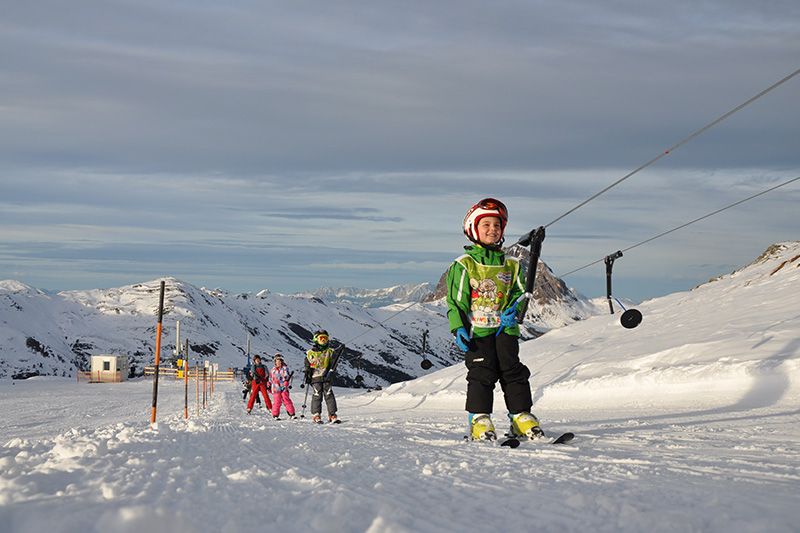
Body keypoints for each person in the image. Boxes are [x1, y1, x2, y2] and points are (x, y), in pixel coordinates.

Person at [445, 198, 542, 441]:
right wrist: (458, 327)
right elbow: (456, 302)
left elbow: (520, 292)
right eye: (485, 224)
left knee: (513, 370)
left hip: (505, 330)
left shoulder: (511, 264)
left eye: (497, 226)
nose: (492, 230)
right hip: (478, 332)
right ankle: (478, 418)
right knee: (481, 372)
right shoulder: (464, 265)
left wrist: (514, 309)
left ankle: (520, 415)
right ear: (472, 229)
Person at [304, 330, 339, 424]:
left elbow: (334, 362)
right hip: (315, 377)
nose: (323, 340)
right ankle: (316, 414)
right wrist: (307, 373)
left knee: (329, 394)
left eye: (325, 338)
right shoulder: (310, 353)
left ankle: (332, 414)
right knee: (317, 395)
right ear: (316, 340)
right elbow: (307, 364)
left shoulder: (330, 351)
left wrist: (332, 371)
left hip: (327, 376)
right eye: (321, 338)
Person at [269, 353, 296, 419]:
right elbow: (270, 378)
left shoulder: (284, 368)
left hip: (283, 387)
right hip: (275, 388)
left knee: (286, 399)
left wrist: (286, 382)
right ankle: (275, 415)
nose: (278, 363)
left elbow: (286, 376)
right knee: (277, 401)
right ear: (275, 362)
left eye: (280, 361)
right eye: (277, 361)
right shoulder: (273, 370)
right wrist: (269, 385)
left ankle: (291, 413)